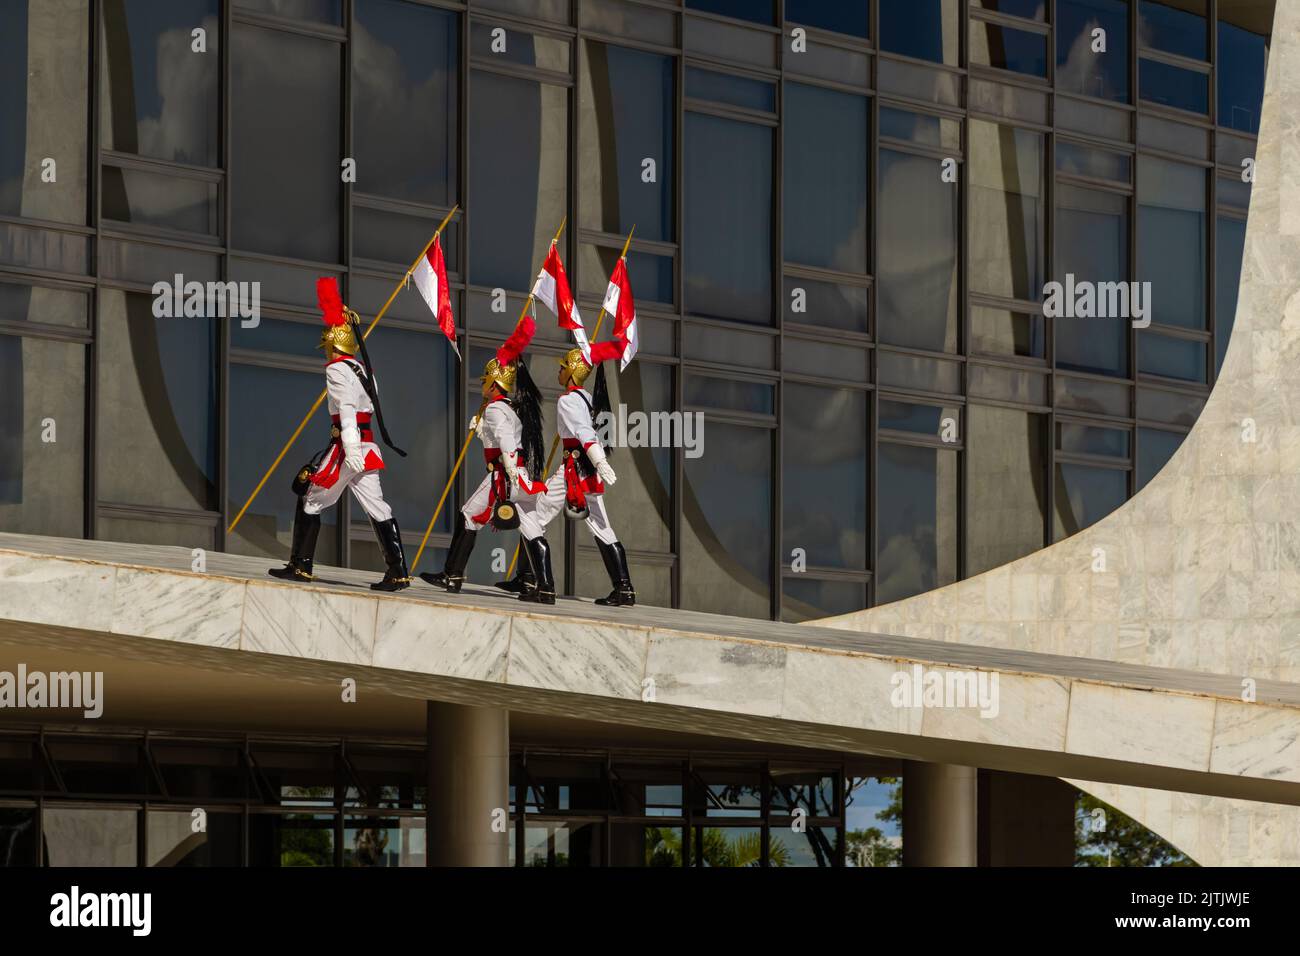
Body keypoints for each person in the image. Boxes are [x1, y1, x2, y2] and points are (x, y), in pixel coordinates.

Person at [270, 278, 410, 591]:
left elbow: (347, 411)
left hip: (349, 448)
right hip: (367, 446)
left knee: (311, 498)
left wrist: (351, 449)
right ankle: (398, 570)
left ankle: (301, 565)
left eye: (327, 347)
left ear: (334, 345)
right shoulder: (363, 370)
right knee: (378, 507)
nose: (326, 353)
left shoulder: (336, 370)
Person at [420, 318, 555, 602]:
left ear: (494, 383)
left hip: (504, 476)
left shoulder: (495, 409)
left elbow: (506, 444)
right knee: (532, 529)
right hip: (517, 475)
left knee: (468, 514)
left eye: (485, 381)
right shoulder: (507, 408)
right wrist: (481, 429)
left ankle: (452, 575)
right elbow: (503, 437)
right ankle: (544, 588)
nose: (482, 385)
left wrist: (509, 473)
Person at [497, 346, 635, 607]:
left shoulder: (568, 400)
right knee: (595, 524)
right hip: (580, 467)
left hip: (573, 469)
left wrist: (600, 460)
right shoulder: (585, 398)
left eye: (562, 368)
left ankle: (531, 579)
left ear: (572, 372)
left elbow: (584, 433)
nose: (558, 371)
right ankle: (624, 588)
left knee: (534, 514)